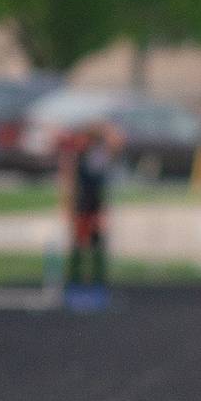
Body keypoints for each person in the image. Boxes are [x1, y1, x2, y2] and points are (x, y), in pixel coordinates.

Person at [58, 119, 123, 304]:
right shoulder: (80, 154)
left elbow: (116, 143)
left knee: (97, 244)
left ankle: (98, 283)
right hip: (82, 205)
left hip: (96, 205)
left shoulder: (100, 153)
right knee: (78, 245)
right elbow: (71, 181)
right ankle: (75, 283)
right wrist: (68, 207)